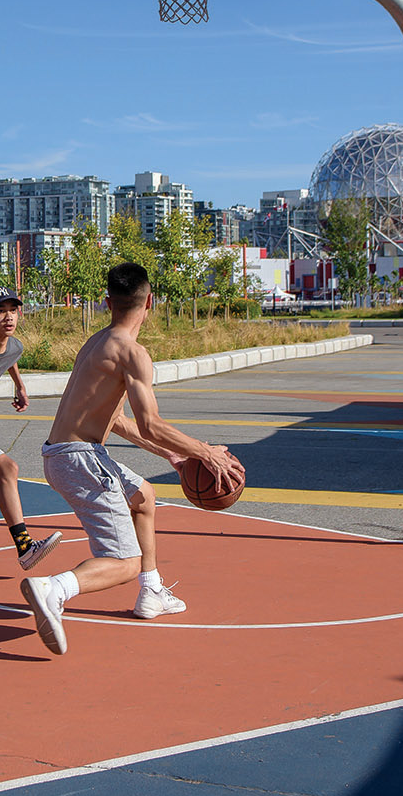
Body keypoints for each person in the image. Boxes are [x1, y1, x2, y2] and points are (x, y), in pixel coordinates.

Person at [20, 262, 244, 656]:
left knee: (143, 497)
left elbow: (117, 420)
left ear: (107, 303)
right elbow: (150, 423)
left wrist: (173, 454)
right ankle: (53, 588)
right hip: (81, 459)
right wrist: (206, 452)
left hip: (69, 455)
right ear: (150, 301)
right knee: (123, 561)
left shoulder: (97, 343)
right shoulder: (132, 353)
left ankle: (151, 591)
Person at [0, 286, 63, 574]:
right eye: (0, 311)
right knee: (8, 469)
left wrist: (20, 386)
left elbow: (9, 358)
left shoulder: (15, 346)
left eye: (13, 310)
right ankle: (25, 546)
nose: (8, 317)